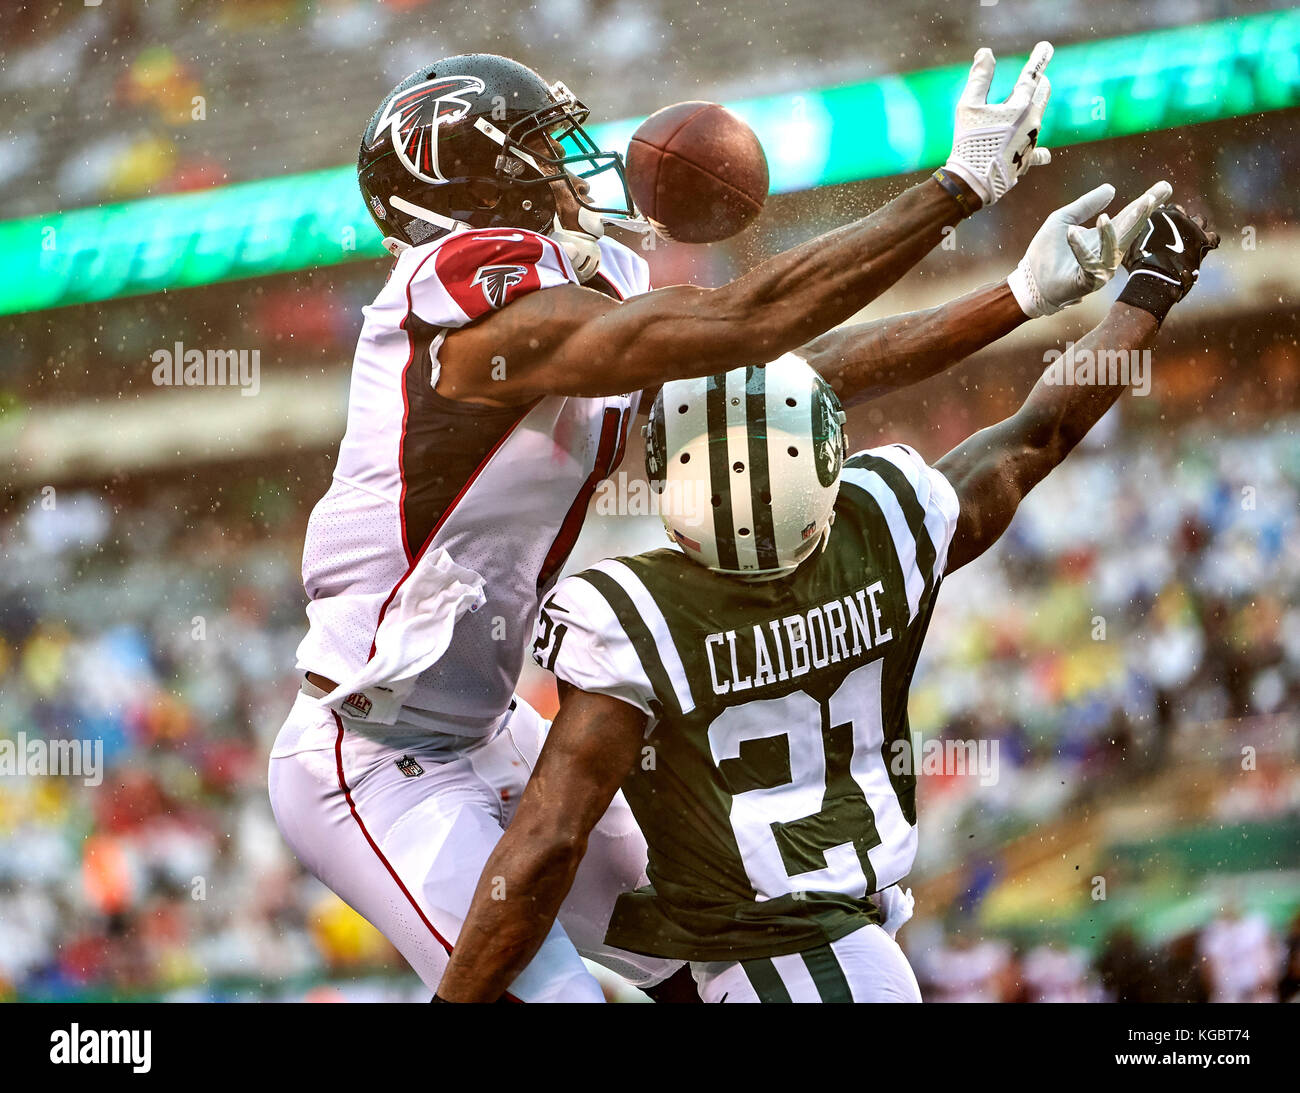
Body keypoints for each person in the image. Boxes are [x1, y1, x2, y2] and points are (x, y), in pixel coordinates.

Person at [268, 44, 1159, 1002]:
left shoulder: (566, 313)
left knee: (700, 942)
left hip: (483, 730)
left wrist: (1017, 299)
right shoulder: (481, 327)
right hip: (369, 758)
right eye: (538, 153)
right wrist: (955, 188)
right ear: (480, 190)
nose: (571, 170)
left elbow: (788, 374)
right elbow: (744, 320)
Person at [432, 203, 1219, 1002]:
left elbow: (548, 843)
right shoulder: (888, 529)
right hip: (846, 952)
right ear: (830, 450)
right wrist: (1150, 290)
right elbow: (1038, 432)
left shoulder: (635, 613)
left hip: (794, 973)